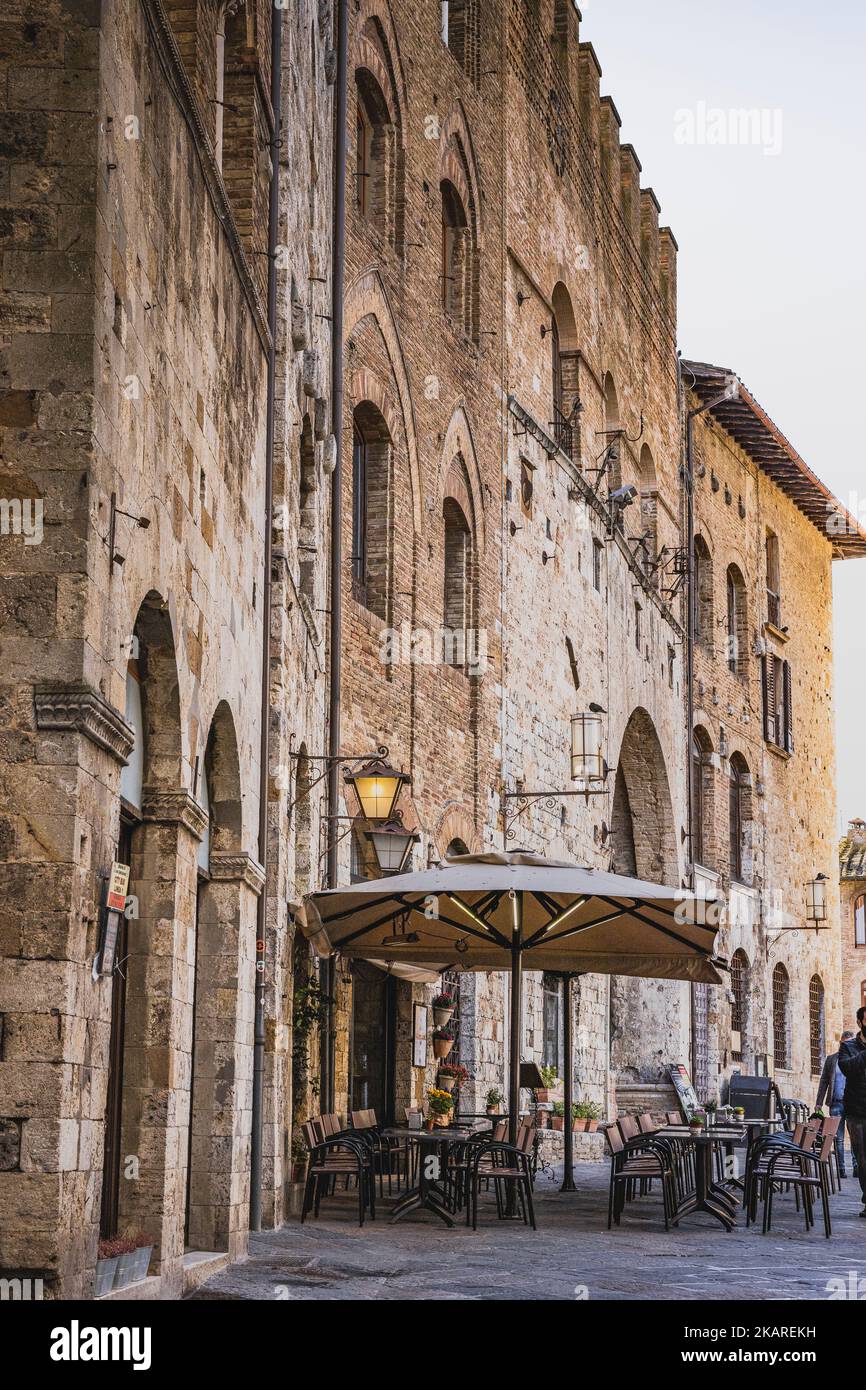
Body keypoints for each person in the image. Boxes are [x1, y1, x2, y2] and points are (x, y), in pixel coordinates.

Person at [817, 1030, 857, 1178]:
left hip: (854, 1104)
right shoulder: (832, 1060)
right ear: (840, 1043)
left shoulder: (858, 1059)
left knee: (855, 1137)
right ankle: (841, 1168)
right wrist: (818, 1103)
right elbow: (824, 1082)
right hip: (836, 1104)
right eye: (844, 1043)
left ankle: (856, 1167)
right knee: (838, 1138)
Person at [839, 1007, 866, 1214]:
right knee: (862, 1158)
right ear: (860, 1023)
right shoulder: (848, 1047)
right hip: (856, 1111)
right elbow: (846, 1068)